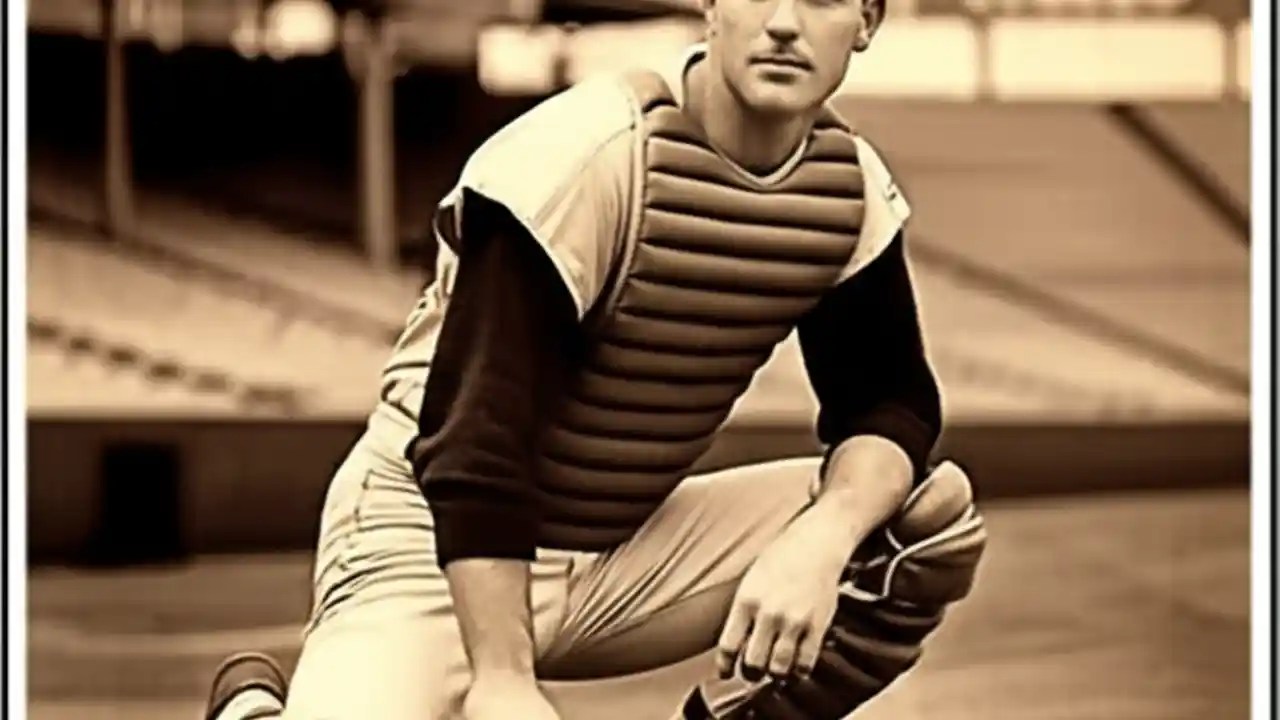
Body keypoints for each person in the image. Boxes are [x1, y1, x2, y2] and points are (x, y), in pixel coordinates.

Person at [203, 0, 987, 718]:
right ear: (711, 3)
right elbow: (472, 439)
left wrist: (826, 536)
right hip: (429, 547)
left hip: (622, 546)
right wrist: (503, 676)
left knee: (920, 520)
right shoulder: (589, 155)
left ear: (868, 20)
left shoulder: (843, 193)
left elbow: (893, 404)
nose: (783, 21)